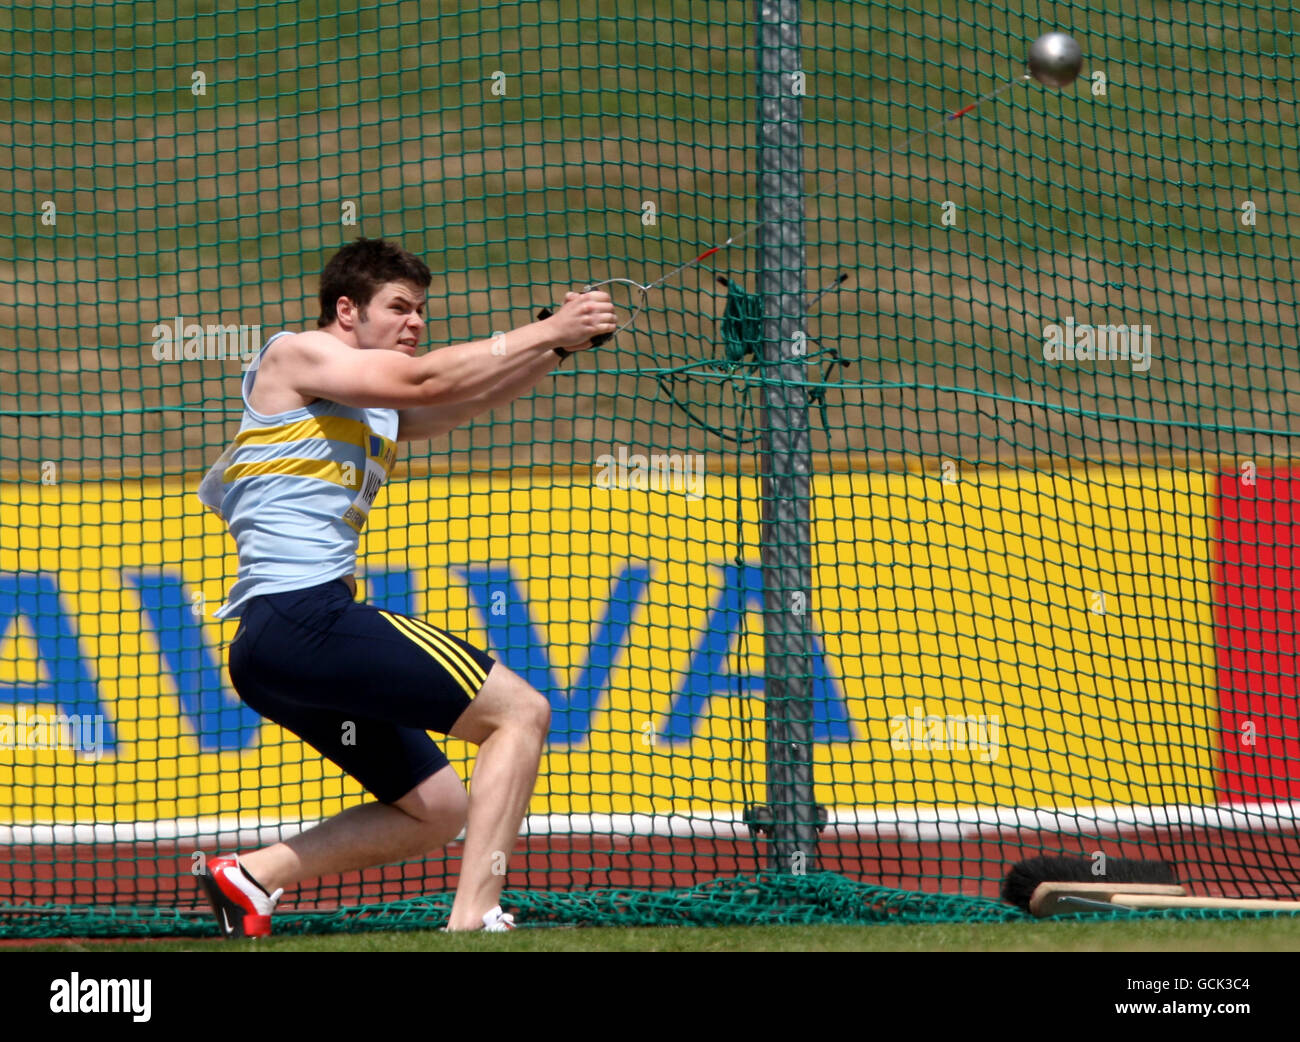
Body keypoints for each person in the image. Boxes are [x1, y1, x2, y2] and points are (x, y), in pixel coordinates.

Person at [194, 237, 616, 935]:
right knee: (522, 714)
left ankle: (251, 877)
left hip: (275, 651)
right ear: (346, 311)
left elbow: (450, 401)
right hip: (305, 623)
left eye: (421, 310)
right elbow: (426, 384)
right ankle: (475, 914)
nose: (416, 323)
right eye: (399, 308)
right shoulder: (294, 354)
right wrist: (547, 327)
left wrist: (557, 350)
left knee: (439, 809)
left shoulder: (367, 401)